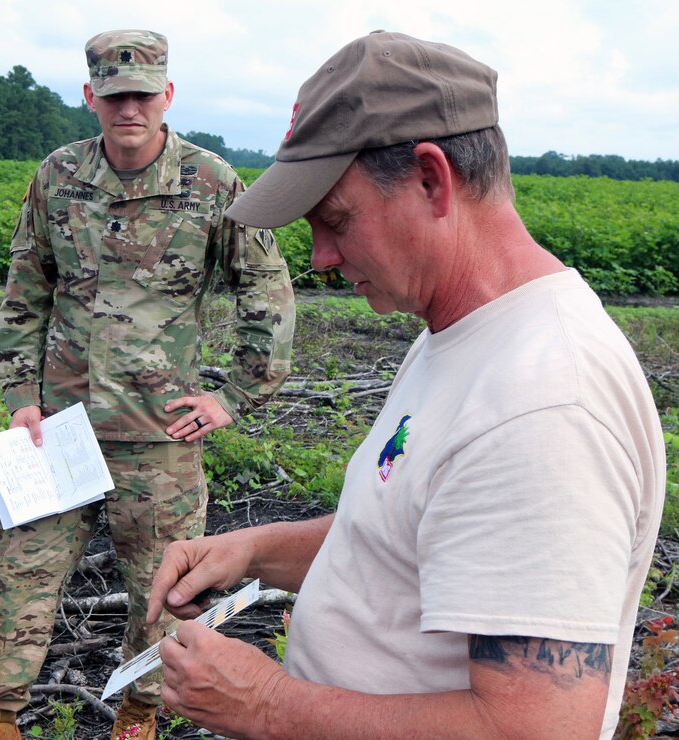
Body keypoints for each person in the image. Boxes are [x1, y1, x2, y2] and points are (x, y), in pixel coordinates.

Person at [146, 31, 666, 739]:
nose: (321, 257)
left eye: (335, 220)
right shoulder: (461, 335)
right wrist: (255, 552)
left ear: (431, 179)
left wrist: (267, 705)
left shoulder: (543, 405)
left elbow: (536, 728)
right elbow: (415, 537)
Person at [0, 29, 295, 739]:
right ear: (91, 97)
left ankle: (140, 714)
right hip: (59, 428)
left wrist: (234, 396)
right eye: (114, 97)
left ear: (167, 94)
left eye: (143, 95)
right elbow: (26, 290)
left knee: (163, 592)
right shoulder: (59, 176)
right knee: (20, 577)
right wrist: (20, 397)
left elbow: (265, 288)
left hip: (159, 434)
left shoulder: (210, 182)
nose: (130, 109)